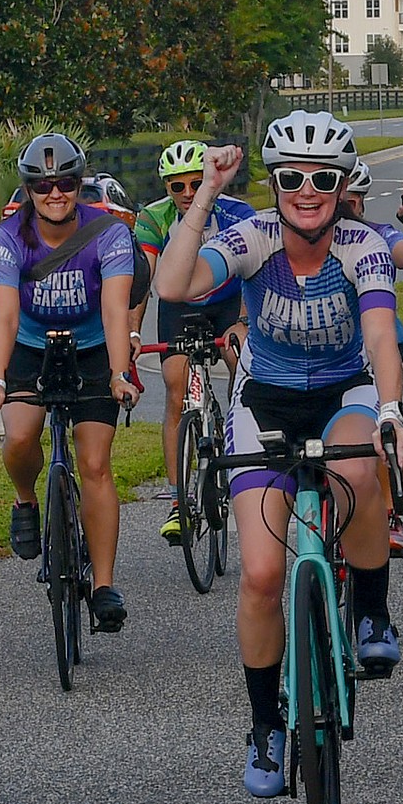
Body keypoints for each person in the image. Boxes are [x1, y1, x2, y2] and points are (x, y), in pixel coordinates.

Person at [154, 111, 403, 796]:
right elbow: (173, 285)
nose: (306, 192)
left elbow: (380, 336)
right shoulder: (253, 238)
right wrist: (207, 192)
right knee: (263, 576)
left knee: (358, 465)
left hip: (343, 391)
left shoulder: (362, 245)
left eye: (322, 180)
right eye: (291, 179)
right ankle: (266, 724)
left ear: (342, 186)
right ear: (273, 185)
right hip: (263, 400)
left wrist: (390, 411)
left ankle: (371, 611)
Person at [0, 132, 142, 632]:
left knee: (95, 463)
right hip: (30, 347)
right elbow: (5, 315)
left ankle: (103, 585)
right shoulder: (8, 237)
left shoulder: (109, 232)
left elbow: (115, 309)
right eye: (43, 186)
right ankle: (26, 499)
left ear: (79, 184)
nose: (55, 193)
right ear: (28, 190)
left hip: (92, 347)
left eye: (66, 183)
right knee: (19, 437)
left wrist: (118, 373)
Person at [134, 139, 257, 545]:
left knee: (241, 362)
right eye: (178, 186)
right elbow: (142, 283)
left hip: (228, 300)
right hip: (180, 305)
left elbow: (252, 272)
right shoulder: (153, 218)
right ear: (167, 188)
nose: (188, 193)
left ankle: (241, 443)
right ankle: (177, 500)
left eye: (195, 183)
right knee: (175, 388)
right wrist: (132, 334)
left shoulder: (238, 214)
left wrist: (243, 321)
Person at [339, 159, 403, 557]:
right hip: (335, 357)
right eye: (339, 199)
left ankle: (391, 512)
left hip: (384, 348)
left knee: (386, 427)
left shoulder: (376, 236)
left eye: (353, 201)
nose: (345, 207)